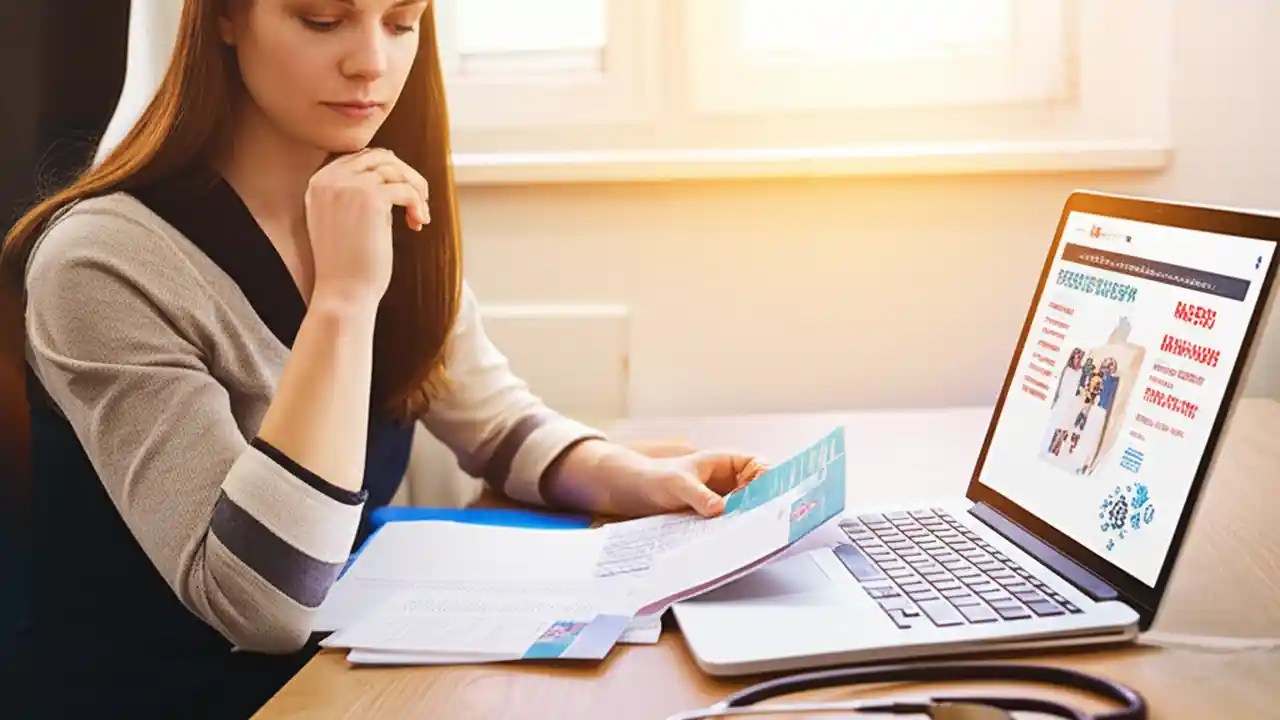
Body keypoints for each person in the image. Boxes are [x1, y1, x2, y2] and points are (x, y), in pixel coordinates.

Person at [0, 1, 766, 717]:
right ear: (226, 16)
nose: (371, 61)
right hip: (164, 694)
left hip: (348, 674)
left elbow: (492, 420)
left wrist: (632, 476)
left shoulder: (372, 190)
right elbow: (258, 603)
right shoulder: (99, 261)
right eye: (324, 18)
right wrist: (343, 299)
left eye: (402, 21)